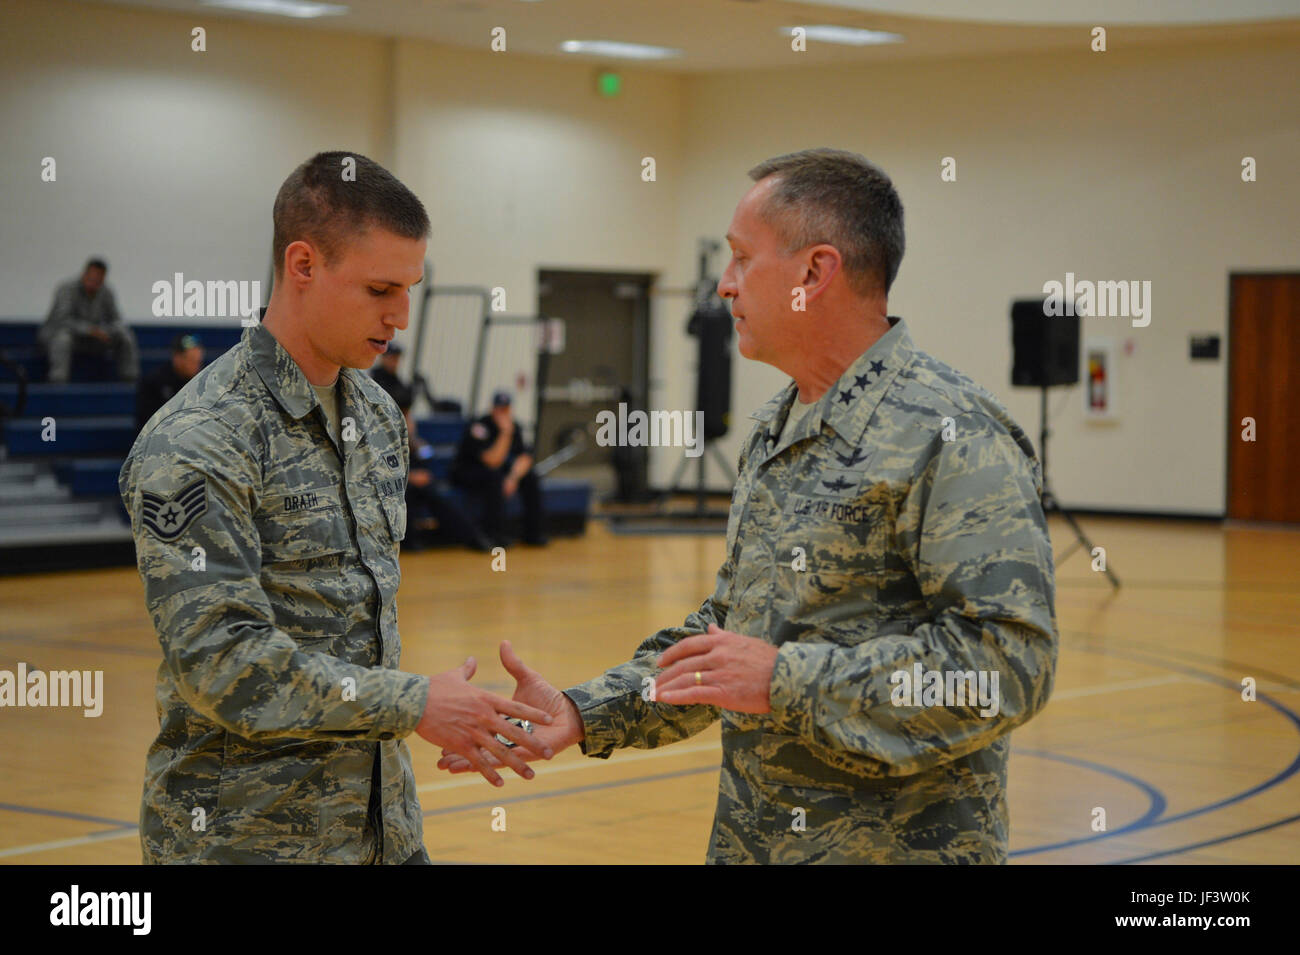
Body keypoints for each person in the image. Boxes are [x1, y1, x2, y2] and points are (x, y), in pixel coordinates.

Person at [439, 149, 1058, 864]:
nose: (725, 287)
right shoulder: (775, 427)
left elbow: (1008, 663)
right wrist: (587, 711)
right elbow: (729, 638)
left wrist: (785, 679)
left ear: (814, 273)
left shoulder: (951, 432)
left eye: (740, 259)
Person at [119, 151, 553, 865]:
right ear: (302, 265)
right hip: (247, 841)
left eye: (411, 288)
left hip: (383, 830)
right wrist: (415, 704)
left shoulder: (377, 417)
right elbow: (222, 663)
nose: (401, 316)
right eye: (381, 287)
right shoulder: (199, 441)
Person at [397, 392, 496, 553]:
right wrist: (410, 476)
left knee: (437, 496)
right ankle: (408, 542)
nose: (408, 419)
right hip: (398, 484)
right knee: (407, 494)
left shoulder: (412, 437)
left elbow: (427, 457)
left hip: (416, 483)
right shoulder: (383, 433)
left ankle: (472, 537)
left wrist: (414, 440)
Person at [451, 390, 546, 546]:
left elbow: (525, 457)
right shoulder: (480, 427)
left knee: (531, 477)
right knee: (494, 478)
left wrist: (513, 478)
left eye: (505, 409)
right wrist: (505, 433)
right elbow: (492, 461)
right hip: (467, 471)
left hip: (495, 473)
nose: (502, 413)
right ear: (493, 408)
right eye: (499, 408)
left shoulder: (515, 426)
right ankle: (493, 534)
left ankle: (534, 533)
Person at [40, 258, 140, 383]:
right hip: (66, 336)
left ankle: (130, 381)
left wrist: (106, 331)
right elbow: (62, 320)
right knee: (63, 339)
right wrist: (89, 330)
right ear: (84, 274)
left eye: (99, 279)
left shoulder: (106, 292)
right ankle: (58, 381)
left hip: (94, 339)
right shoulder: (66, 289)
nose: (94, 282)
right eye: (91, 278)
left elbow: (117, 320)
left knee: (125, 336)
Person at [135, 333, 205, 430]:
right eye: (191, 360)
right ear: (177, 357)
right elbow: (146, 422)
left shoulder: (203, 382)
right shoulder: (154, 382)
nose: (196, 365)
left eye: (198, 361)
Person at [369, 339, 411, 409]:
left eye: (396, 359)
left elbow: (406, 402)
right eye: (391, 358)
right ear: (383, 358)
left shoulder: (394, 378)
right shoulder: (375, 376)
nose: (394, 362)